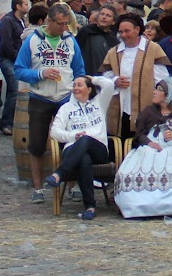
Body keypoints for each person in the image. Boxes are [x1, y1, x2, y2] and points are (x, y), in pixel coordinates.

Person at [15, 3, 85, 202]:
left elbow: (79, 69)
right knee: (37, 144)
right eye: (60, 24)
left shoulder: (71, 41)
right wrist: (40, 73)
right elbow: (19, 69)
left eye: (66, 23)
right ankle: (37, 188)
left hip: (66, 97)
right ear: (49, 21)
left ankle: (71, 186)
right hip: (40, 98)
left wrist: (78, 89)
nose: (64, 27)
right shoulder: (32, 41)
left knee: (70, 143)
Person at [44, 75, 119, 220]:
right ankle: (90, 207)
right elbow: (55, 132)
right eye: (74, 85)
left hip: (98, 150)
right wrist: (73, 136)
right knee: (84, 159)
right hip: (73, 149)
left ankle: (60, 173)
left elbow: (109, 84)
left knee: (86, 140)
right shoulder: (66, 109)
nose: (76, 88)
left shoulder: (99, 103)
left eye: (80, 85)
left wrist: (91, 78)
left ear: (89, 89)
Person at [115, 98, 172, 219]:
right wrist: (148, 143)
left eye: (159, 90)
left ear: (169, 95)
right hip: (149, 146)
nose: (155, 93)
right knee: (133, 169)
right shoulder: (148, 112)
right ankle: (136, 207)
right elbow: (139, 135)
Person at [0, 0, 30, 137]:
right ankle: (6, 123)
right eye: (25, 4)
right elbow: (6, 44)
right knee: (14, 88)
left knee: (13, 89)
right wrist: (18, 57)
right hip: (8, 59)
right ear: (18, 6)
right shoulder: (8, 21)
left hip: (16, 59)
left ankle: (11, 120)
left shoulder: (20, 21)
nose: (27, 7)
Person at [77, 2, 119, 75]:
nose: (104, 17)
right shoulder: (86, 31)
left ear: (113, 22)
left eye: (108, 15)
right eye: (102, 14)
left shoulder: (113, 40)